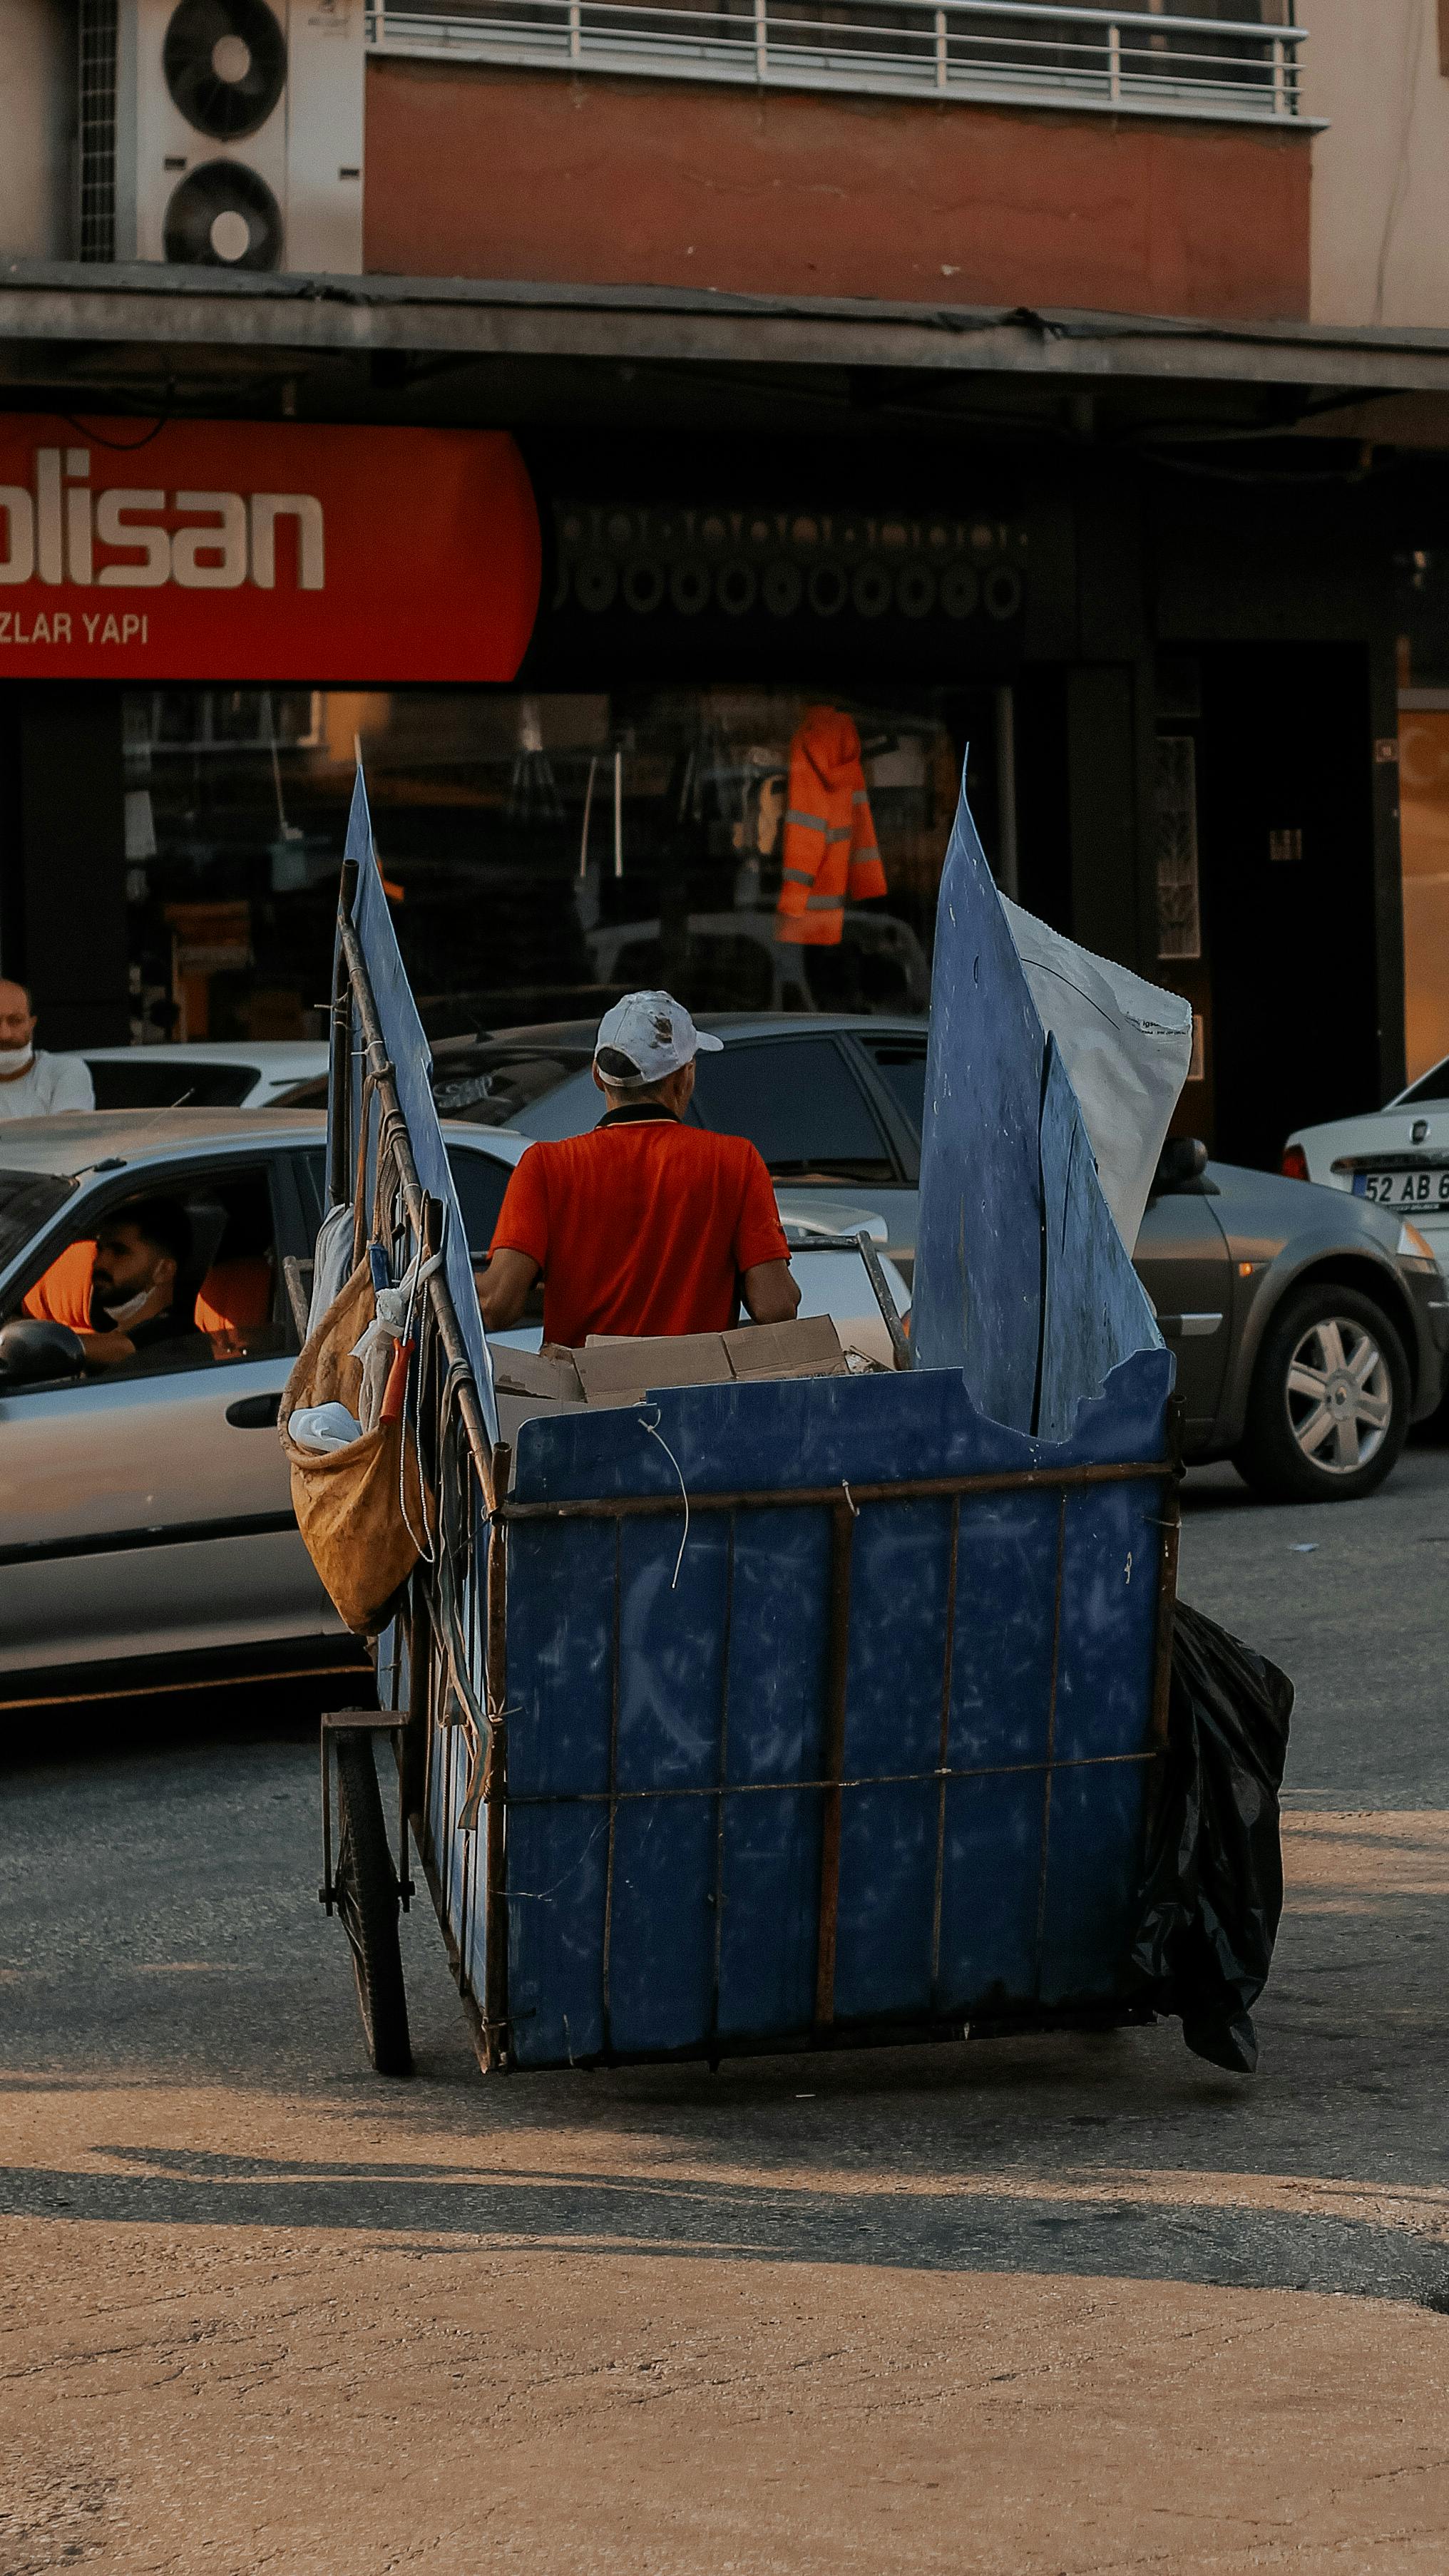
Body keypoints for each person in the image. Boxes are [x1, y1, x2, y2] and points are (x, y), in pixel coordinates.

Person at [477, 992, 800, 1348]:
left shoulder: (545, 1166)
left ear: (598, 1077)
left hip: (584, 1397)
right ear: (684, 1076)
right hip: (695, 1393)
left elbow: (498, 1305)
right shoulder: (735, 1160)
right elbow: (776, 1307)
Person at [77, 1199, 211, 1371]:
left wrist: (45, 1346)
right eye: (100, 1250)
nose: (99, 1263)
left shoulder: (176, 1336)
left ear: (163, 1270)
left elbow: (125, 1348)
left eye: (119, 1251)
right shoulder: (114, 1334)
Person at [0, 980, 95, 1118]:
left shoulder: (63, 1071)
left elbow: (68, 1135)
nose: (5, 1035)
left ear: (31, 1024)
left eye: (16, 1021)